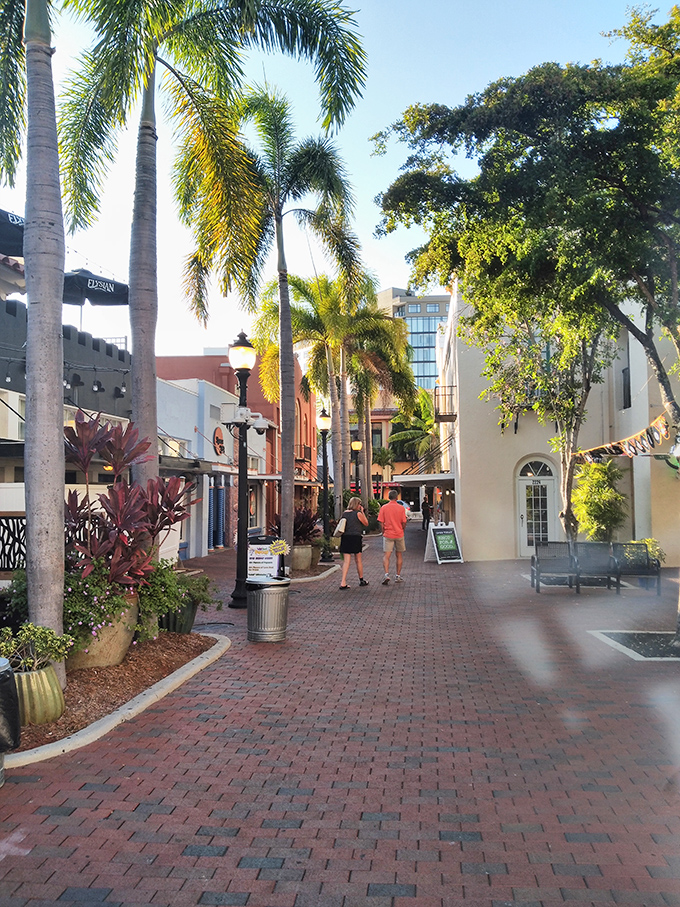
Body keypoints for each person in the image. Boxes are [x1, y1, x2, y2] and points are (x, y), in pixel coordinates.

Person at [377, 489, 408, 585]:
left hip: (388, 534)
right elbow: (404, 521)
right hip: (399, 533)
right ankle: (398, 575)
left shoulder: (384, 508)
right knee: (399, 555)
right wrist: (402, 529)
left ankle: (386, 574)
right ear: (397, 497)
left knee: (386, 555)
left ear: (388, 497)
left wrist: (383, 531)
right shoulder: (401, 508)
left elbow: (381, 522)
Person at [339, 497, 369, 589]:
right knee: (358, 560)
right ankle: (361, 579)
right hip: (355, 537)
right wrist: (363, 512)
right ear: (357, 504)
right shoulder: (358, 514)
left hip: (346, 537)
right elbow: (366, 523)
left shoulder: (344, 514)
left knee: (346, 561)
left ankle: (343, 582)